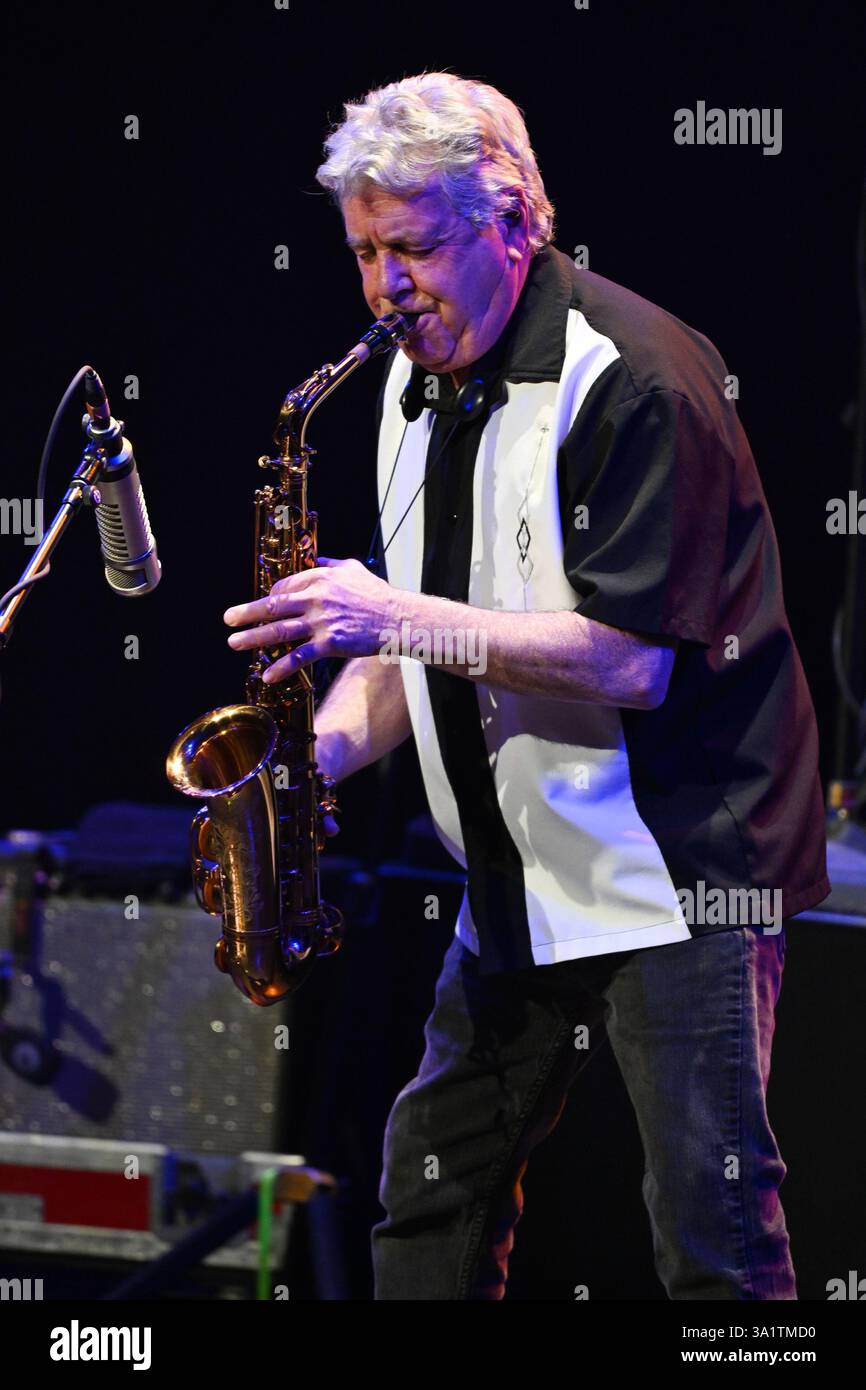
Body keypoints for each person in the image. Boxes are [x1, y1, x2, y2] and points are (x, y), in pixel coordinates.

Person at [223, 72, 829, 1300]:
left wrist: (386, 614)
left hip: (676, 866)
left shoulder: (637, 378)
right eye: (363, 253)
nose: (385, 287)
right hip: (518, 868)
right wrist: (307, 762)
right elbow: (415, 627)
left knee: (711, 1240)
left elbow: (630, 660)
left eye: (412, 248)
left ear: (511, 220)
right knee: (428, 1206)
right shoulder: (405, 377)